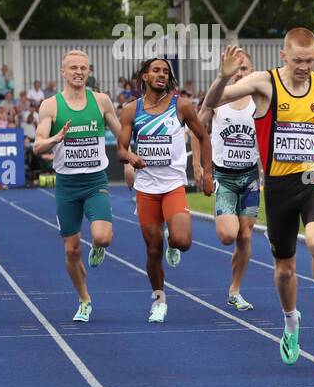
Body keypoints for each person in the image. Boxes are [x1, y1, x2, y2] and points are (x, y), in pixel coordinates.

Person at [204, 30, 314, 363]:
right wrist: (222, 78)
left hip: (312, 180)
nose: (303, 67)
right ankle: (291, 321)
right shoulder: (263, 83)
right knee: (284, 270)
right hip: (278, 188)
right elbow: (211, 102)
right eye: (297, 61)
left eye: (309, 61)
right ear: (284, 56)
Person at [32, 50, 139, 322]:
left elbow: (120, 135)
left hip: (94, 181)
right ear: (63, 72)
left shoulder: (101, 101)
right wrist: (56, 138)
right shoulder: (50, 106)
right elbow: (37, 144)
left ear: (89, 72)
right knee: (71, 250)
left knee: (102, 237)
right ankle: (84, 299)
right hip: (67, 185)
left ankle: (99, 247)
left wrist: (127, 162)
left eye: (83, 68)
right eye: (73, 68)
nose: (79, 72)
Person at [116, 58, 214, 323]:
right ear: (145, 77)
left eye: (165, 72)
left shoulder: (181, 106)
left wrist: (207, 173)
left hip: (173, 185)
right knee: (152, 250)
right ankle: (159, 298)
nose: (161, 74)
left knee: (182, 242)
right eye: (156, 70)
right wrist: (131, 158)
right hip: (146, 187)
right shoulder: (130, 111)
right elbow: (120, 149)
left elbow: (204, 137)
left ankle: (172, 236)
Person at [198, 47, 267, 311]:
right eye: (236, 68)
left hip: (250, 176)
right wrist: (200, 166)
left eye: (245, 68)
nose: (240, 73)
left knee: (246, 236)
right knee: (229, 235)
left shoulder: (259, 100)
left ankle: (235, 290)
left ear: (253, 72)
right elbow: (198, 124)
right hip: (224, 177)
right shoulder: (219, 98)